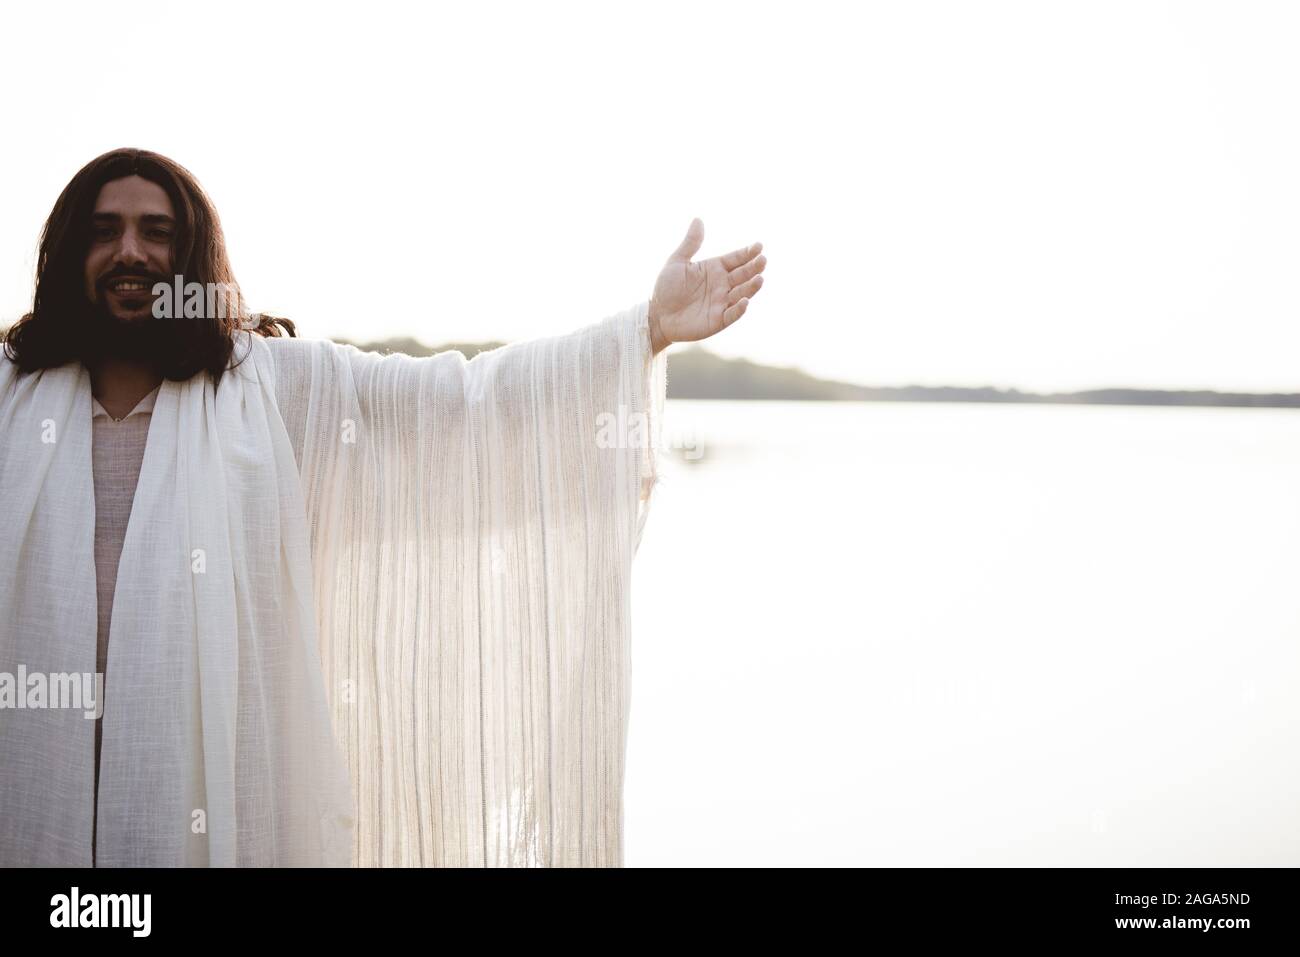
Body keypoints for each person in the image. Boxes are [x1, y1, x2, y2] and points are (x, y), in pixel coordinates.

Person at [0, 147, 767, 867]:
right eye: (105, 231)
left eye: (155, 231)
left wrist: (645, 331)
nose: (130, 251)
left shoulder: (274, 387)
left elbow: (462, 406)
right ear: (72, 253)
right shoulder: (10, 398)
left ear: (190, 255)